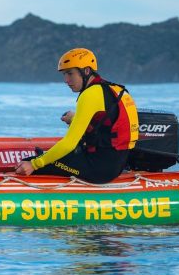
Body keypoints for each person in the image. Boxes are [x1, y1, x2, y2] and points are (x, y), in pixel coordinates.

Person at [14, 47, 138, 184]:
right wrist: (74, 118)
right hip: (116, 164)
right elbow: (103, 126)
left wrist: (34, 165)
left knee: (27, 163)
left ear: (86, 71)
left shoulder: (89, 95)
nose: (66, 80)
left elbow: (69, 144)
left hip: (98, 170)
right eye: (64, 75)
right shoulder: (115, 89)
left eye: (70, 74)